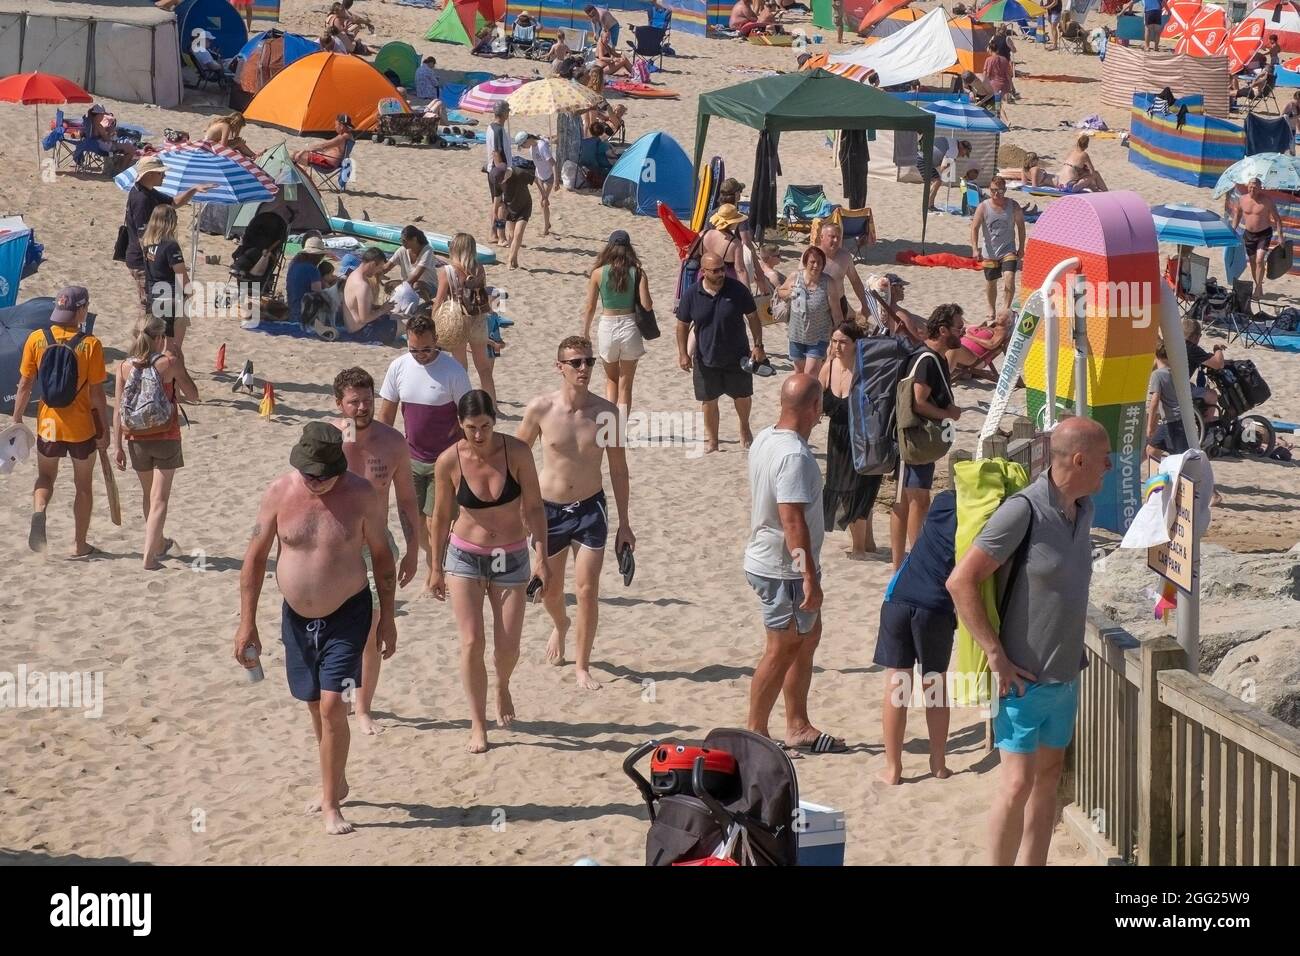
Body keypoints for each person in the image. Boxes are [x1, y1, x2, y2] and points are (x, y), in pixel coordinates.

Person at [946, 416, 1111, 866]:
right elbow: (960, 582)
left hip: (1064, 676)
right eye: (1104, 459)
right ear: (1078, 460)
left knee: (1049, 778)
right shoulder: (1024, 510)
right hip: (1019, 679)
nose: (1110, 466)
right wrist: (995, 655)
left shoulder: (1085, 509)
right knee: (1016, 783)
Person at [235, 422, 396, 835]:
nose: (318, 481)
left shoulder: (361, 495)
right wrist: (246, 623)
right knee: (313, 704)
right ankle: (335, 778)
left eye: (326, 475)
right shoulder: (279, 493)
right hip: (296, 618)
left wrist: (388, 618)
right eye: (311, 474)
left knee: (331, 705)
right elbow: (253, 559)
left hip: (349, 613)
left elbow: (382, 559)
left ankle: (330, 805)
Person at [425, 390, 550, 754]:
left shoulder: (517, 453)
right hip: (465, 557)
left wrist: (541, 557)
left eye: (485, 426)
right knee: (471, 641)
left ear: (495, 420)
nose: (478, 435)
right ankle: (478, 723)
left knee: (507, 646)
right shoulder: (449, 460)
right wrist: (434, 567)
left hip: (509, 556)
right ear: (460, 425)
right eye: (470, 428)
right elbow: (441, 518)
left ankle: (503, 683)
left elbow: (536, 508)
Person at [516, 335, 635, 690]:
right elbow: (516, 458)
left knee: (587, 589)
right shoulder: (540, 409)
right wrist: (519, 506)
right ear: (560, 367)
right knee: (550, 592)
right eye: (576, 363)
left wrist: (625, 524)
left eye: (589, 362)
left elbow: (619, 469)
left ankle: (582, 665)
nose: (584, 368)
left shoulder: (607, 413)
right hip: (548, 510)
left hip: (590, 508)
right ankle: (560, 625)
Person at [744, 374, 845, 754]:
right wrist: (808, 576)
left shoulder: (766, 438)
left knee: (807, 638)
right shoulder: (795, 455)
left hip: (773, 560)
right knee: (782, 646)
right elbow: (792, 520)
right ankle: (755, 733)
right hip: (782, 567)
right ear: (815, 408)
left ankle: (798, 725)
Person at [331, 367, 421, 736]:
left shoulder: (392, 441)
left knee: (371, 632)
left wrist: (415, 548)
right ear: (340, 404)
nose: (363, 408)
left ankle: (363, 708)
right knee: (337, 630)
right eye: (354, 402)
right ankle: (336, 697)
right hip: (334, 546)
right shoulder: (332, 438)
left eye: (368, 399)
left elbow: (406, 500)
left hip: (377, 546)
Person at [11, 287, 108, 558]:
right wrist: (105, 430)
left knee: (45, 476)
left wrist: (17, 419)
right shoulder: (91, 344)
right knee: (83, 485)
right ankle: (79, 544)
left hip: (48, 424)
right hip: (81, 426)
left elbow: (25, 385)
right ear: (81, 310)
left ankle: (39, 510)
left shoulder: (37, 339)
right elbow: (98, 394)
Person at [876, 489, 959, 784]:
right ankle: (938, 763)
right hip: (934, 606)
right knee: (933, 684)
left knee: (898, 684)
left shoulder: (944, 501)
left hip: (897, 598)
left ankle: (893, 767)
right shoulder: (981, 526)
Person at [377, 313, 472, 573]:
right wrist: (381, 452)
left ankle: (437, 569)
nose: (420, 355)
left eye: (426, 349)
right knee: (415, 524)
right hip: (410, 459)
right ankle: (437, 561)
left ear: (437, 340)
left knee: (436, 521)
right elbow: (386, 415)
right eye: (414, 349)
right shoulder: (399, 367)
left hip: (446, 459)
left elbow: (468, 418)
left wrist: (466, 458)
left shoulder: (453, 371)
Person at [111, 316, 198, 570]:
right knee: (160, 498)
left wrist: (117, 446)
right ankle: (149, 558)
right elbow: (193, 395)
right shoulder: (167, 364)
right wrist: (180, 365)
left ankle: (158, 544)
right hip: (166, 437)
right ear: (159, 338)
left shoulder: (123, 367)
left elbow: (117, 410)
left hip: (135, 438)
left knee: (149, 496)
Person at [891, 305, 964, 570]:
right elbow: (919, 402)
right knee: (918, 500)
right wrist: (947, 413)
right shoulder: (927, 360)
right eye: (958, 327)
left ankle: (900, 565)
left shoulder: (936, 358)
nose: (963, 331)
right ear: (943, 330)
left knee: (904, 501)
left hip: (916, 439)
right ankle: (914, 563)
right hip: (916, 437)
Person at [676, 253, 766, 453]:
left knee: (742, 397)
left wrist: (758, 345)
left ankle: (744, 427)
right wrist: (683, 353)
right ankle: (713, 441)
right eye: (715, 270)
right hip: (705, 357)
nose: (721, 273)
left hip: (737, 355)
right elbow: (682, 325)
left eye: (722, 269)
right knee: (708, 401)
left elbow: (753, 317)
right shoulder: (692, 294)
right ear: (704, 272)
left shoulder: (737, 290)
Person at [820, 322, 883, 559]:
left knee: (863, 490)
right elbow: (816, 403)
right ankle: (861, 546)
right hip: (837, 440)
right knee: (846, 491)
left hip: (863, 439)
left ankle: (864, 546)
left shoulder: (866, 370)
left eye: (843, 342)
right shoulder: (829, 366)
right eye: (834, 341)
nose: (837, 346)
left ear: (857, 344)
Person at [122, 156, 214, 312]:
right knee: (150, 308)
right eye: (161, 173)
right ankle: (146, 335)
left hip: (146, 258)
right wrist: (164, 257)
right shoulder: (142, 199)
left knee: (155, 307)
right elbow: (143, 238)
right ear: (149, 174)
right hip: (142, 261)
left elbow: (174, 203)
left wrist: (193, 190)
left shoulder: (148, 191)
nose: (164, 176)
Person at [582, 229, 653, 412]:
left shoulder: (598, 273)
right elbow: (647, 305)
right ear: (629, 248)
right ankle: (621, 430)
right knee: (626, 385)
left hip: (608, 325)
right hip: (630, 326)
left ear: (609, 248)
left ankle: (609, 427)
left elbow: (590, 307)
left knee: (611, 380)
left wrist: (585, 332)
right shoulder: (638, 272)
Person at [431, 232, 497, 403]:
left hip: (457, 320)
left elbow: (438, 301)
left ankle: (463, 402)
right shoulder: (479, 268)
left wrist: (433, 322)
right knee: (483, 368)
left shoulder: (447, 271)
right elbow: (481, 295)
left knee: (460, 367)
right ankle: (492, 406)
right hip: (478, 320)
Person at [777, 245, 843, 375]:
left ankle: (814, 395)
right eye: (812, 262)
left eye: (820, 262)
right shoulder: (795, 277)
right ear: (805, 262)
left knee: (810, 373)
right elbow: (780, 291)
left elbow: (837, 313)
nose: (816, 266)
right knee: (799, 373)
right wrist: (790, 292)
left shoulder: (828, 283)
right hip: (796, 335)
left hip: (819, 336)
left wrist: (838, 337)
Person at [970, 177, 1026, 321]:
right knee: (991, 282)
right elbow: (974, 228)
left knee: (1010, 276)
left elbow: (1021, 227)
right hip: (990, 252)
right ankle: (991, 308)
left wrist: (1021, 247)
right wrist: (975, 249)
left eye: (999, 191)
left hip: (1008, 249)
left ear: (1005, 190)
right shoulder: (983, 207)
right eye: (993, 190)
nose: (996, 194)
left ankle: (1006, 309)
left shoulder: (1013, 206)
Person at [140, 205, 191, 350]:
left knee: (154, 343)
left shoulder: (147, 241)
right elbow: (181, 274)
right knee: (172, 347)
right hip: (171, 297)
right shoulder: (171, 246)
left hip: (153, 293)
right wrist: (189, 292)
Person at [1230, 177, 1284, 299]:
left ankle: (1258, 288)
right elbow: (1237, 215)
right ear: (1247, 186)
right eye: (1250, 186)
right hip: (1249, 234)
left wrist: (1280, 236)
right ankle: (1258, 284)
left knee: (1259, 260)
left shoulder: (1267, 201)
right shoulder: (1242, 199)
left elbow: (1277, 219)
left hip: (1264, 234)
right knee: (1253, 263)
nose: (1252, 189)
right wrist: (1232, 230)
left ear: (1260, 188)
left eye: (1255, 187)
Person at [815, 220, 869, 323]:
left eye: (838, 238)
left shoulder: (845, 257)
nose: (836, 240)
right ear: (821, 237)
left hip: (840, 303)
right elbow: (801, 281)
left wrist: (864, 304)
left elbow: (855, 281)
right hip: (817, 306)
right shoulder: (811, 257)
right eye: (832, 237)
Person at [341, 247, 397, 340]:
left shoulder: (353, 275)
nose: (379, 271)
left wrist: (379, 307)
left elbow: (356, 306)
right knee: (402, 324)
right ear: (373, 264)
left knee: (393, 318)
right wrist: (382, 310)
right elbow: (364, 319)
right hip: (361, 332)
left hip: (351, 328)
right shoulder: (362, 285)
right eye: (379, 267)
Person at [1145, 342, 1190, 459]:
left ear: (1155, 356)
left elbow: (1154, 401)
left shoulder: (1157, 375)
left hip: (1172, 422)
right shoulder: (1175, 372)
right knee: (1151, 449)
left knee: (1179, 458)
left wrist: (1150, 426)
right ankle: (1157, 475)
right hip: (1178, 419)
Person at [378, 225, 438, 311]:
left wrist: (399, 289)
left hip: (429, 286)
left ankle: (428, 307)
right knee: (389, 285)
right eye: (401, 240)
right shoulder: (402, 250)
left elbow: (416, 275)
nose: (402, 243)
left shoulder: (427, 251)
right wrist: (376, 272)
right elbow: (387, 267)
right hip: (409, 285)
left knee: (417, 285)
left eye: (405, 241)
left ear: (414, 239)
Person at [949, 309, 1012, 382]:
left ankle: (943, 375)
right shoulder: (989, 327)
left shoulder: (1001, 331)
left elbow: (991, 344)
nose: (998, 315)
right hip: (963, 352)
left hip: (975, 357)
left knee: (954, 349)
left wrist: (969, 336)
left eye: (1002, 315)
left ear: (1008, 321)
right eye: (998, 314)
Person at [515, 131, 558, 236]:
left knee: (544, 202)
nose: (523, 147)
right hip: (539, 176)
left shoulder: (542, 146)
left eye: (523, 145)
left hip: (548, 177)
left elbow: (553, 164)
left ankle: (546, 228)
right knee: (543, 202)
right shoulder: (531, 148)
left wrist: (556, 181)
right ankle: (547, 224)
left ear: (527, 141)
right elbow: (537, 165)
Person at [286, 236, 331, 326]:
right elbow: (317, 296)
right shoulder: (312, 269)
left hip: (292, 311)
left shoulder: (293, 265)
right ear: (318, 255)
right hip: (304, 315)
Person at [494, 163, 533, 270]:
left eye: (503, 179)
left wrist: (544, 196)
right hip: (510, 207)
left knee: (518, 233)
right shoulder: (497, 179)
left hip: (525, 207)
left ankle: (510, 260)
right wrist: (494, 212)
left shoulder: (519, 173)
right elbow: (497, 197)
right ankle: (515, 261)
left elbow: (536, 179)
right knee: (512, 234)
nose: (502, 182)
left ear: (506, 173)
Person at [485, 101, 512, 247]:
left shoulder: (491, 127)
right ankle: (501, 236)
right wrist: (503, 171)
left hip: (492, 170)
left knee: (495, 203)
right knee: (502, 205)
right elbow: (496, 152)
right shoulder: (498, 130)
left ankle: (493, 233)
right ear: (504, 113)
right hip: (498, 172)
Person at [925, 138, 973, 213]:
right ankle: (929, 205)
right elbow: (943, 168)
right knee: (937, 181)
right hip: (926, 158)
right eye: (964, 153)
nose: (963, 156)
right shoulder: (954, 151)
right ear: (962, 147)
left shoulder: (953, 142)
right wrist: (951, 163)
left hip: (927, 153)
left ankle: (929, 204)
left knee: (937, 181)